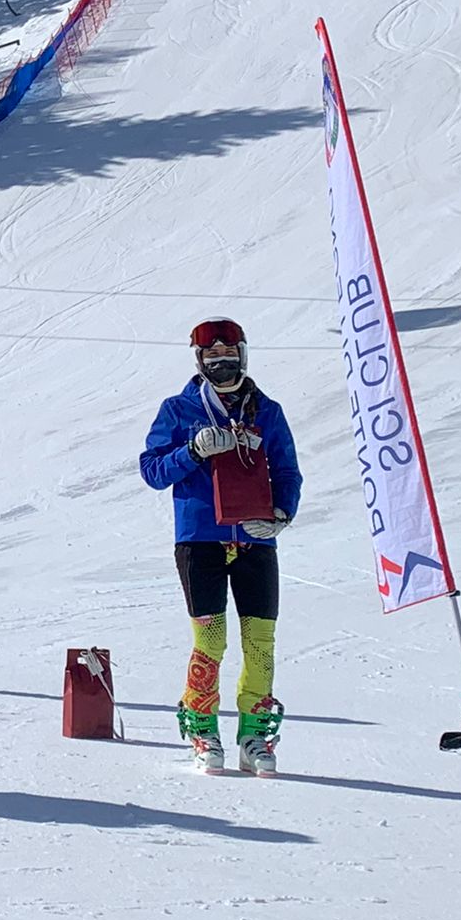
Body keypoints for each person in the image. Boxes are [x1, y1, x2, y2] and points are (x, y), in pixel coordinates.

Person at [140, 318, 303, 775]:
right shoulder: (178, 410)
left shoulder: (266, 411)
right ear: (199, 362)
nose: (222, 367)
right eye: (212, 360)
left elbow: (288, 471)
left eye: (229, 359)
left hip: (254, 538)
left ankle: (254, 732)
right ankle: (201, 725)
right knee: (211, 640)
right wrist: (192, 452)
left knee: (261, 643)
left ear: (243, 357)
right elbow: (152, 471)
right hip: (200, 539)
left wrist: (281, 514)